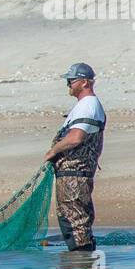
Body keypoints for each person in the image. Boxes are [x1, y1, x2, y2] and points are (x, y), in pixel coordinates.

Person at [44, 62, 106, 252]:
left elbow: (76, 137)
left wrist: (53, 152)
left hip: (75, 177)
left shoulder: (89, 105)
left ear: (85, 83)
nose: (68, 84)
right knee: (73, 223)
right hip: (71, 177)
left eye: (72, 80)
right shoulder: (84, 105)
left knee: (75, 224)